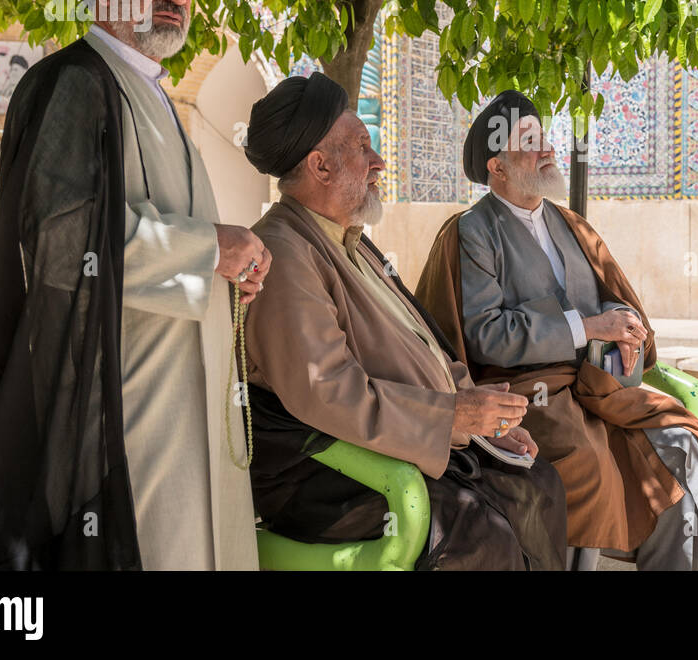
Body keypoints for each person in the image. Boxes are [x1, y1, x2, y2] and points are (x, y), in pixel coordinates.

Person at [0, 0, 265, 570]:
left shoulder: (151, 92)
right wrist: (213, 248)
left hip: (181, 410)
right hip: (123, 420)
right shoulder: (72, 83)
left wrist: (228, 267)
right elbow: (64, 244)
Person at [240, 73, 567, 570]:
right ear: (320, 166)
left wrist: (478, 425)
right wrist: (451, 419)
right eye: (364, 149)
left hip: (403, 439)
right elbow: (329, 392)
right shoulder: (285, 254)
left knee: (536, 485)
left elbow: (424, 345)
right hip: (326, 474)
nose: (380, 164)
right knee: (480, 533)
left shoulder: (348, 239)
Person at [416, 91, 698, 570]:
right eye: (530, 141)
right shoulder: (473, 231)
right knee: (588, 465)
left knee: (681, 440)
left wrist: (625, 329)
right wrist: (589, 326)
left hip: (598, 387)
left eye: (545, 137)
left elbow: (611, 295)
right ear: (496, 166)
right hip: (528, 396)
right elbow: (487, 334)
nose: (548, 149)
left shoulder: (571, 224)